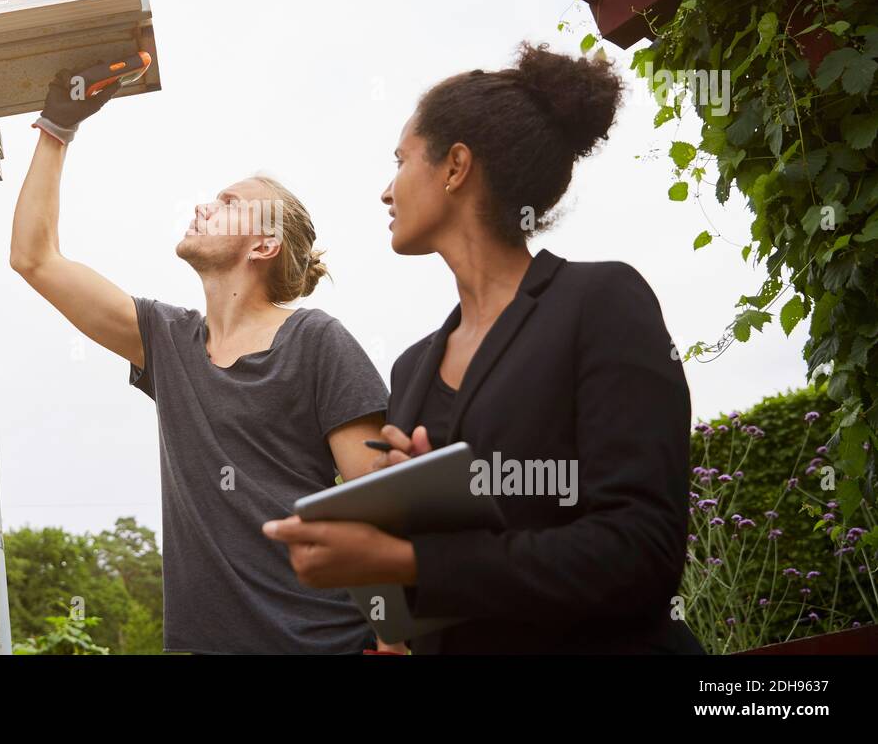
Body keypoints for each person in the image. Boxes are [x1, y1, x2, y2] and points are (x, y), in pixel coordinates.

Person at [263, 42, 706, 654]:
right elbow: (451, 587)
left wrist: (412, 557)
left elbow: (641, 554)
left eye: (400, 161)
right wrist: (392, 563)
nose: (386, 192)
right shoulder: (412, 368)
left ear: (455, 166)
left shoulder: (601, 302)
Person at [10, 67, 389, 654]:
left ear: (264, 245)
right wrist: (57, 126)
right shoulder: (165, 341)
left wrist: (394, 634)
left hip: (325, 644)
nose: (204, 207)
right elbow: (34, 258)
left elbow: (381, 507)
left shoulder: (318, 342)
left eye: (229, 203)